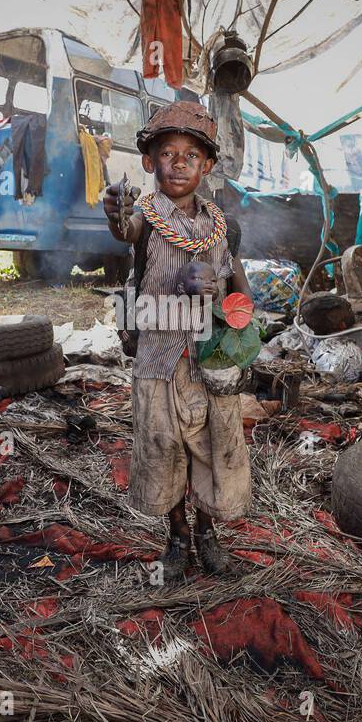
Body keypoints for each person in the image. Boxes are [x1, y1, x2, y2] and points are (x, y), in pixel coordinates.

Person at [102, 102, 253, 578]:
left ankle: (207, 531)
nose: (180, 162)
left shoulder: (220, 227)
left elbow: (241, 302)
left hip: (209, 360)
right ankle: (177, 535)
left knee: (214, 447)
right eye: (167, 153)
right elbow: (123, 229)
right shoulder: (145, 218)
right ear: (150, 163)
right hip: (158, 358)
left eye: (191, 155)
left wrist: (218, 292)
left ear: (207, 166)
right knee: (163, 447)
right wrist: (114, 212)